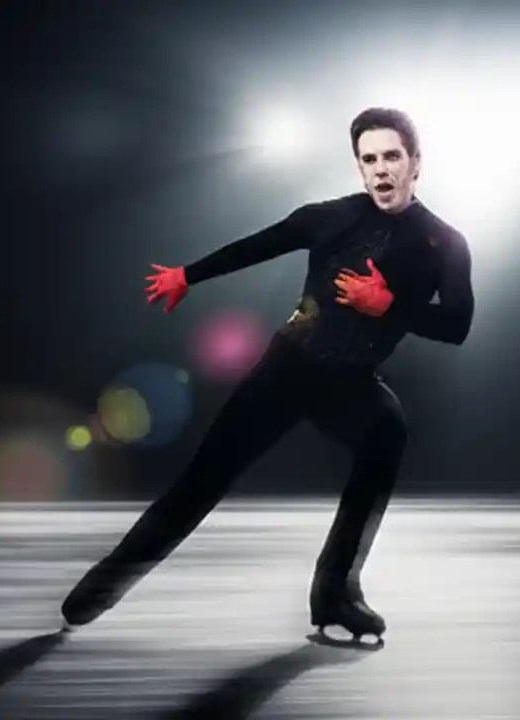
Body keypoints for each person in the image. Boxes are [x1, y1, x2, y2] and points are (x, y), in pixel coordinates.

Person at [60, 107, 474, 644]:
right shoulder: (330, 217)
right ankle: (105, 583)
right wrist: (188, 275)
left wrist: (390, 306)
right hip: (287, 369)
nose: (380, 170)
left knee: (386, 433)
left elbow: (458, 325)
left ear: (416, 163)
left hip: (351, 382)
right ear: (358, 167)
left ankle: (335, 593)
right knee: (202, 479)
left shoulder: (445, 243)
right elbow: (260, 244)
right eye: (368, 159)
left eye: (391, 156)